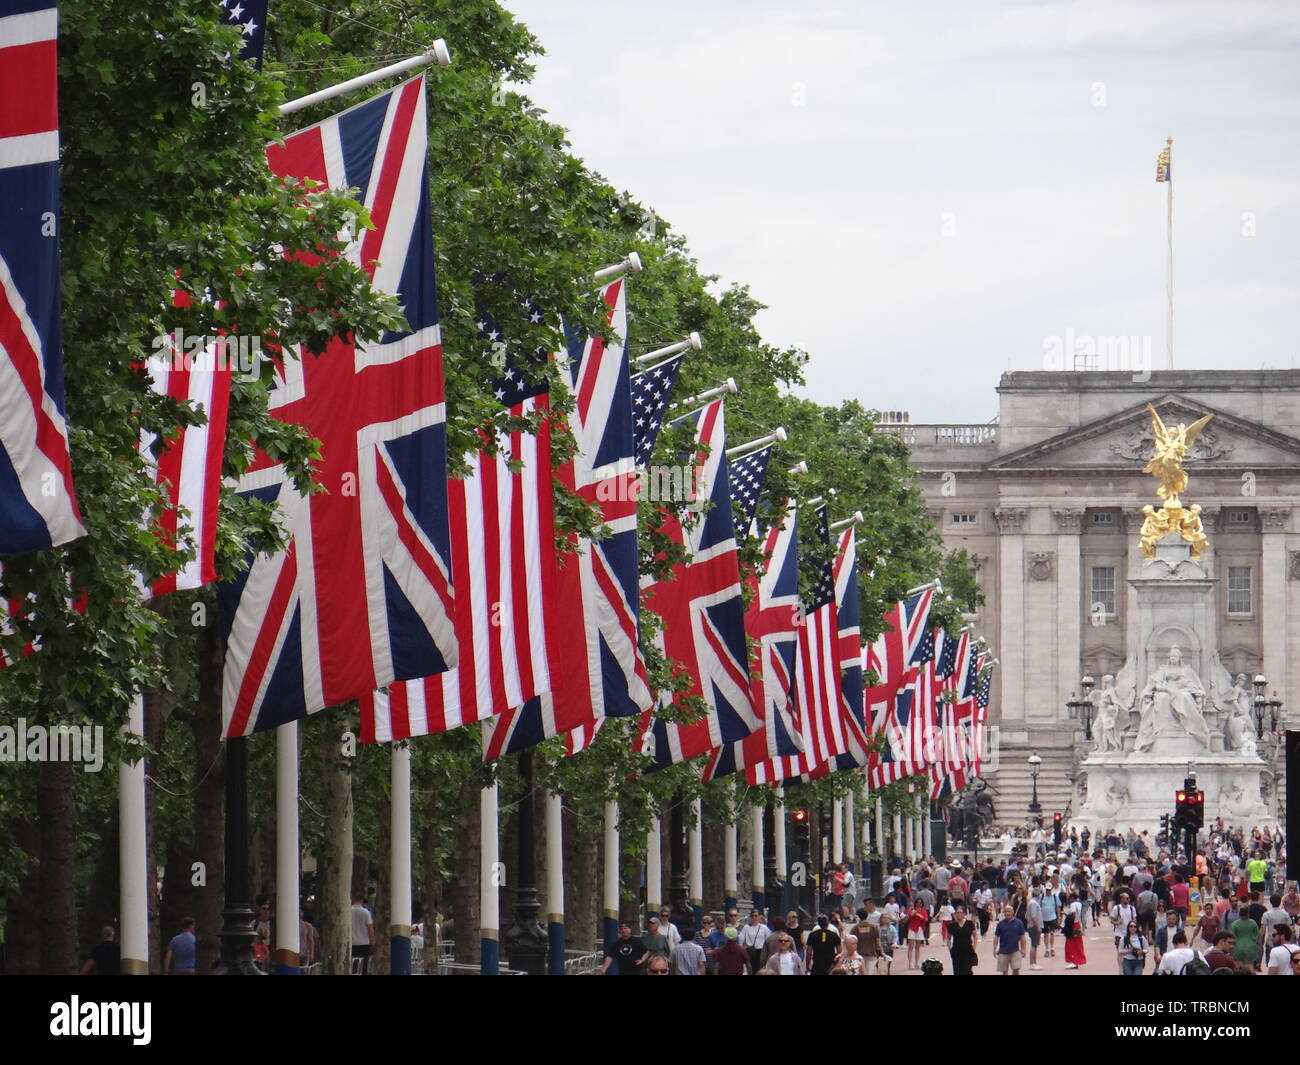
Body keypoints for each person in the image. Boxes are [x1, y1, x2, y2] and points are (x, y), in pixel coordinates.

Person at [993, 904, 1028, 976]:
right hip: (1003, 951)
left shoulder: (1018, 923)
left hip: (1015, 950)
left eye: (1009, 911)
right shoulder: (1000, 924)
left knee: (1016, 969)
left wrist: (1023, 949)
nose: (1007, 913)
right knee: (1004, 971)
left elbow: (1022, 937)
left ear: (1013, 912)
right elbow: (996, 937)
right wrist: (995, 948)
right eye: (1005, 912)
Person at [948, 905, 977, 976]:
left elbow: (975, 935)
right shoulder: (952, 925)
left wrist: (974, 946)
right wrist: (950, 948)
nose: (959, 914)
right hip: (956, 951)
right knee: (957, 971)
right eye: (957, 912)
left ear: (964, 914)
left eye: (961, 912)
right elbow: (948, 937)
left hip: (968, 950)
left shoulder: (969, 924)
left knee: (967, 971)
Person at [1229, 907, 1261, 971]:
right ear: (1248, 913)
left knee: (1238, 967)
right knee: (1249, 967)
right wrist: (1258, 945)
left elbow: (1231, 937)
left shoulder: (1235, 923)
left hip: (1237, 948)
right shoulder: (1253, 923)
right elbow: (1257, 936)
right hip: (1250, 947)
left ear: (1239, 914)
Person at [1062, 891, 1088, 969]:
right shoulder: (1080, 904)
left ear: (1072, 898)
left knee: (1071, 944)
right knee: (1078, 944)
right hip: (1078, 925)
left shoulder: (1073, 905)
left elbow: (1073, 916)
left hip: (1073, 925)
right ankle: (1077, 960)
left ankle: (1074, 960)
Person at [350, 895, 374, 974]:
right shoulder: (366, 912)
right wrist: (372, 941)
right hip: (364, 943)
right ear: (362, 901)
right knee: (363, 966)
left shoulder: (348, 911)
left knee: (353, 965)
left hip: (351, 943)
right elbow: (370, 928)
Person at [904, 899, 929, 970]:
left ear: (922, 904)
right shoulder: (911, 909)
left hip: (919, 929)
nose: (919, 904)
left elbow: (925, 920)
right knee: (911, 947)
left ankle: (916, 962)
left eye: (920, 903)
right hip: (911, 929)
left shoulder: (923, 911)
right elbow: (909, 917)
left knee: (917, 947)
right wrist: (915, 912)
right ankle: (910, 963)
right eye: (917, 903)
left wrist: (919, 915)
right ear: (915, 903)